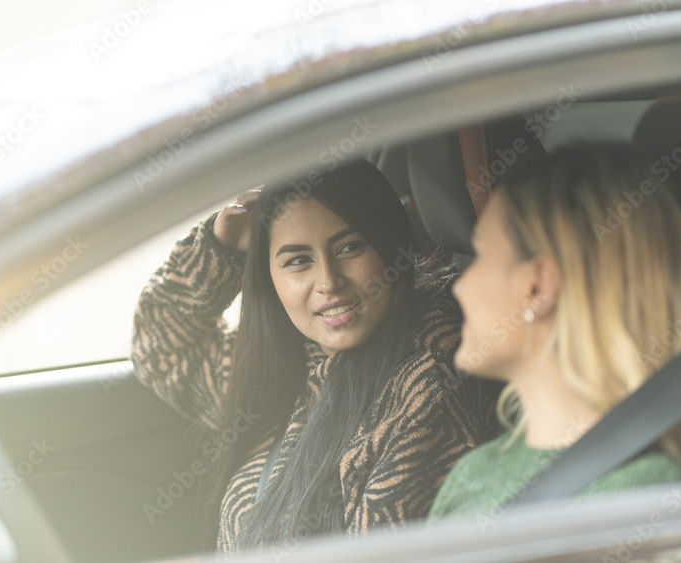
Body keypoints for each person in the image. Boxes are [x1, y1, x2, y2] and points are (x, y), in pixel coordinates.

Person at [131, 159, 501, 554]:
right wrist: (218, 248)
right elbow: (161, 349)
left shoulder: (428, 376)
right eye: (298, 261)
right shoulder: (294, 362)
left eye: (349, 247)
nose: (329, 281)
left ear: (390, 245)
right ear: (267, 277)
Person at [428, 142, 681, 521]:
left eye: (481, 255)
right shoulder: (473, 470)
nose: (458, 286)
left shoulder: (645, 495)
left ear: (539, 286)